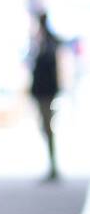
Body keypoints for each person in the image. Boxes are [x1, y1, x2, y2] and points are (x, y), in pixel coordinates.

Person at [28, 11, 61, 181]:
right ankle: (52, 165)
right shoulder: (40, 43)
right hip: (42, 92)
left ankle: (53, 166)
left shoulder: (48, 43)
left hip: (47, 93)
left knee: (48, 128)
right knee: (44, 128)